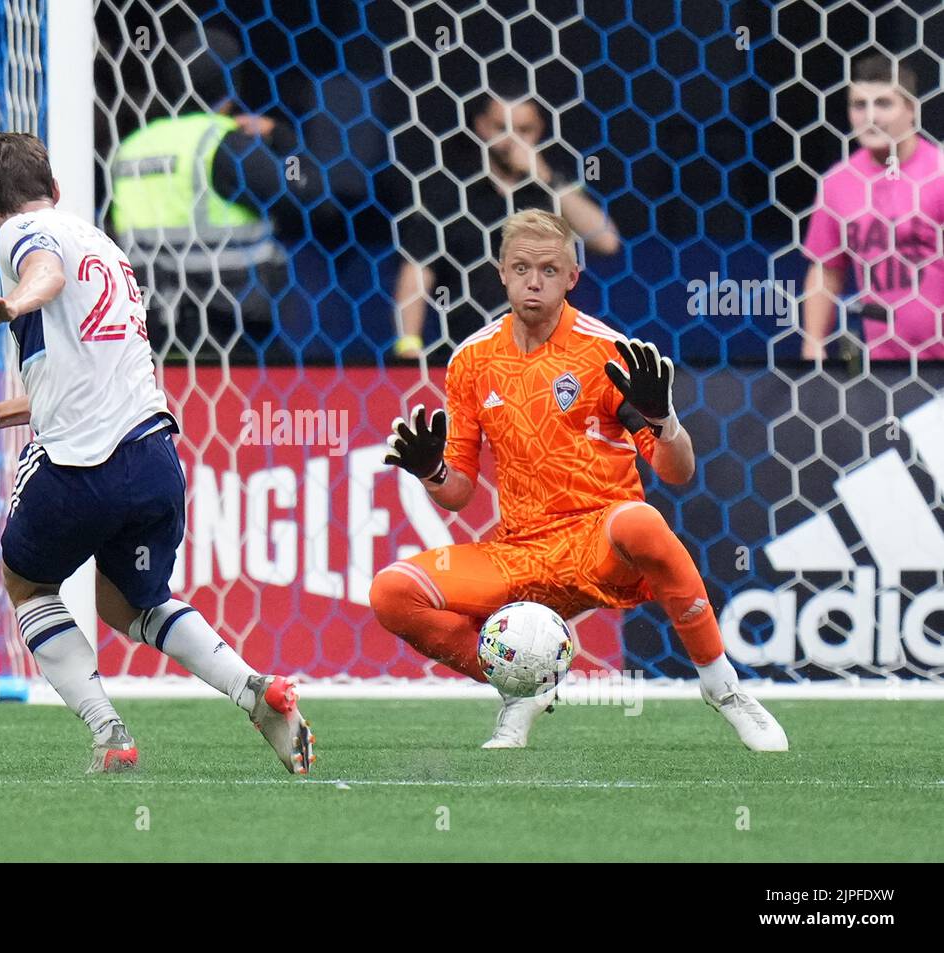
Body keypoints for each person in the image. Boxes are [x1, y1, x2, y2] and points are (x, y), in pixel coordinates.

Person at [0, 132, 313, 774]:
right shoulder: (106, 249)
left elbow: (42, 276)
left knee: (27, 583)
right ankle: (256, 690)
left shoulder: (18, 235)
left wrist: (11, 306)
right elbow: (85, 373)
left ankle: (110, 734)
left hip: (81, 468)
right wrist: (0, 415)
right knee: (128, 603)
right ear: (56, 189)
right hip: (154, 458)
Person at [369, 209, 787, 752]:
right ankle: (522, 688)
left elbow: (675, 471)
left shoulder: (606, 352)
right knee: (391, 593)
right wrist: (432, 472)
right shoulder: (471, 360)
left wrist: (666, 422)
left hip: (598, 540)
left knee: (642, 520)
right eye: (521, 268)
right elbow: (460, 492)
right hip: (519, 551)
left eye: (548, 269)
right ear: (501, 273)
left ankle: (724, 689)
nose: (533, 281)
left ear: (572, 277)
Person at [109, 28, 324, 362]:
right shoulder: (225, 143)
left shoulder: (133, 146)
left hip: (147, 332)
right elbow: (311, 197)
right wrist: (284, 139)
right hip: (230, 330)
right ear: (233, 83)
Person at [391, 86, 620, 360]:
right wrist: (409, 345)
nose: (512, 139)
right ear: (482, 126)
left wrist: (546, 178)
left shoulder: (555, 193)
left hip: (548, 359)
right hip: (468, 354)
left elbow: (606, 241)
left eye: (524, 130)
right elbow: (417, 272)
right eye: (502, 127)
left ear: (540, 130)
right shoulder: (448, 195)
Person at [802, 53, 944, 361]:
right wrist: (813, 345)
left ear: (911, 109)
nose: (870, 116)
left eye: (883, 103)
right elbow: (826, 271)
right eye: (859, 105)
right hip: (880, 371)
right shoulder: (838, 182)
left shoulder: (940, 173)